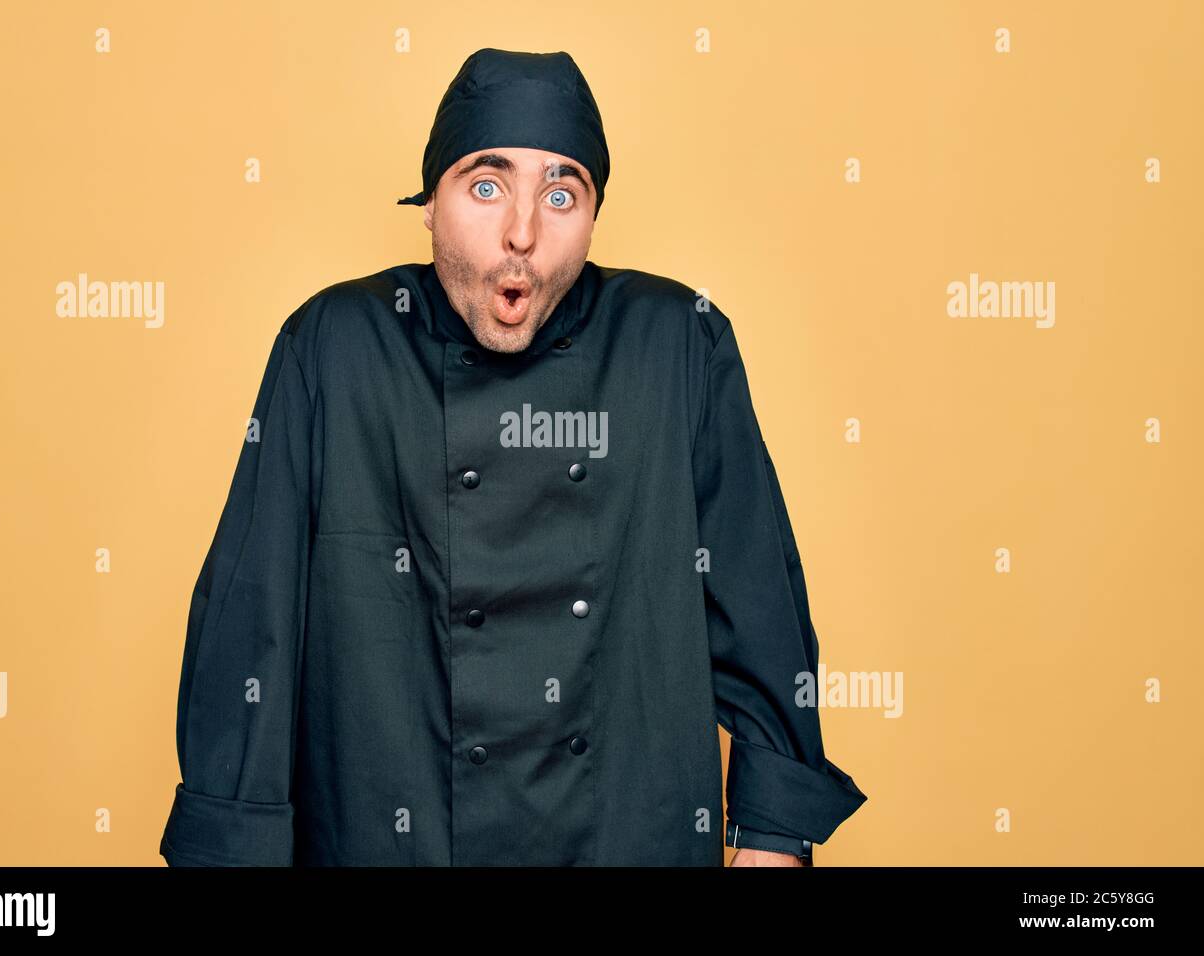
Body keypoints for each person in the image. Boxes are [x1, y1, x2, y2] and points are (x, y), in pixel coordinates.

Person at [158, 47, 866, 867]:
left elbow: (758, 598)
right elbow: (253, 620)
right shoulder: (334, 345)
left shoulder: (677, 343)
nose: (522, 233)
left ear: (594, 214)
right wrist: (231, 845)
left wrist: (772, 837)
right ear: (430, 201)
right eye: (485, 186)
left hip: (623, 836)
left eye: (561, 194)